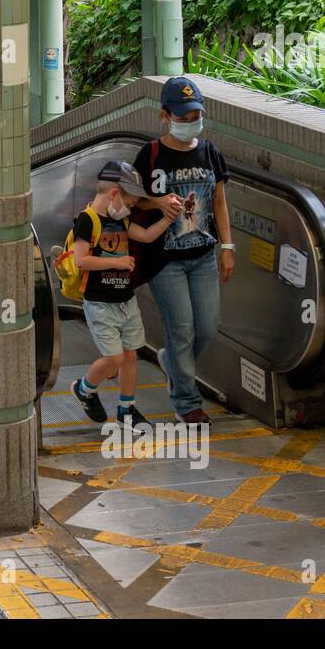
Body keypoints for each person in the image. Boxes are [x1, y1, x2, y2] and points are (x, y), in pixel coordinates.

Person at [133, 76, 235, 425]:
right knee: (181, 329)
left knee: (207, 327)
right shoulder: (151, 155)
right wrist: (157, 201)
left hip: (204, 255)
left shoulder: (210, 152)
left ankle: (172, 363)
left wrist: (228, 247)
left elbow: (220, 201)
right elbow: (131, 199)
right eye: (183, 116)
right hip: (165, 260)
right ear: (165, 115)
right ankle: (186, 402)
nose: (191, 122)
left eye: (195, 116)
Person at [69, 161, 175, 433]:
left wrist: (168, 218)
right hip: (100, 303)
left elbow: (148, 236)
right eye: (130, 201)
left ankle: (126, 410)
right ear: (115, 194)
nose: (131, 207)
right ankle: (84, 388)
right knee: (114, 359)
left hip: (126, 301)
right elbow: (81, 261)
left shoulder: (121, 220)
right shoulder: (87, 220)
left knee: (130, 355)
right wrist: (115, 263)